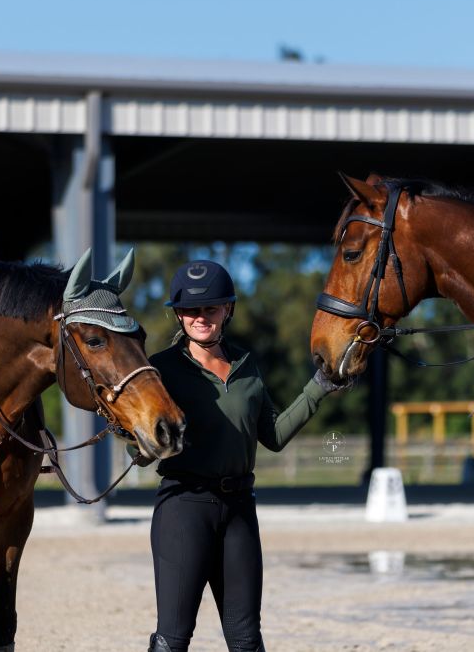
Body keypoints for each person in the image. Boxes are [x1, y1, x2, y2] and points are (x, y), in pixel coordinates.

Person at [144, 260, 341, 652]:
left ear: (227, 310)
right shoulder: (160, 370)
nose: (200, 317)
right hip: (184, 508)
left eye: (210, 308)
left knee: (247, 639)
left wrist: (320, 386)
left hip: (239, 510)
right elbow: (146, 447)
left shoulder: (248, 366)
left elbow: (275, 435)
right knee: (173, 639)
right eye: (190, 310)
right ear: (178, 314)